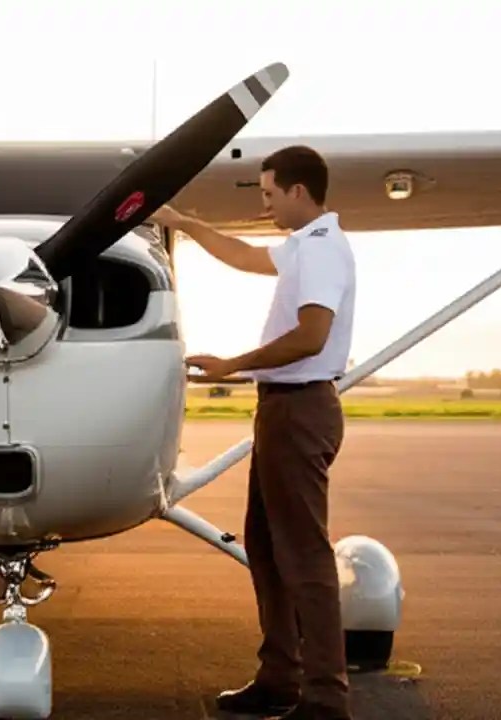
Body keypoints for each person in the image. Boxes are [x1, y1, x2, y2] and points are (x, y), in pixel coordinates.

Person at [151, 145, 357, 720]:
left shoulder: (318, 253)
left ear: (297, 191)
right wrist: (183, 224)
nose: (265, 205)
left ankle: (324, 697)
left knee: (304, 555)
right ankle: (280, 679)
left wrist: (234, 365)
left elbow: (312, 335)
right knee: (265, 548)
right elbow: (243, 256)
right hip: (283, 409)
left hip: (299, 410)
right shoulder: (304, 247)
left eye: (269, 194)